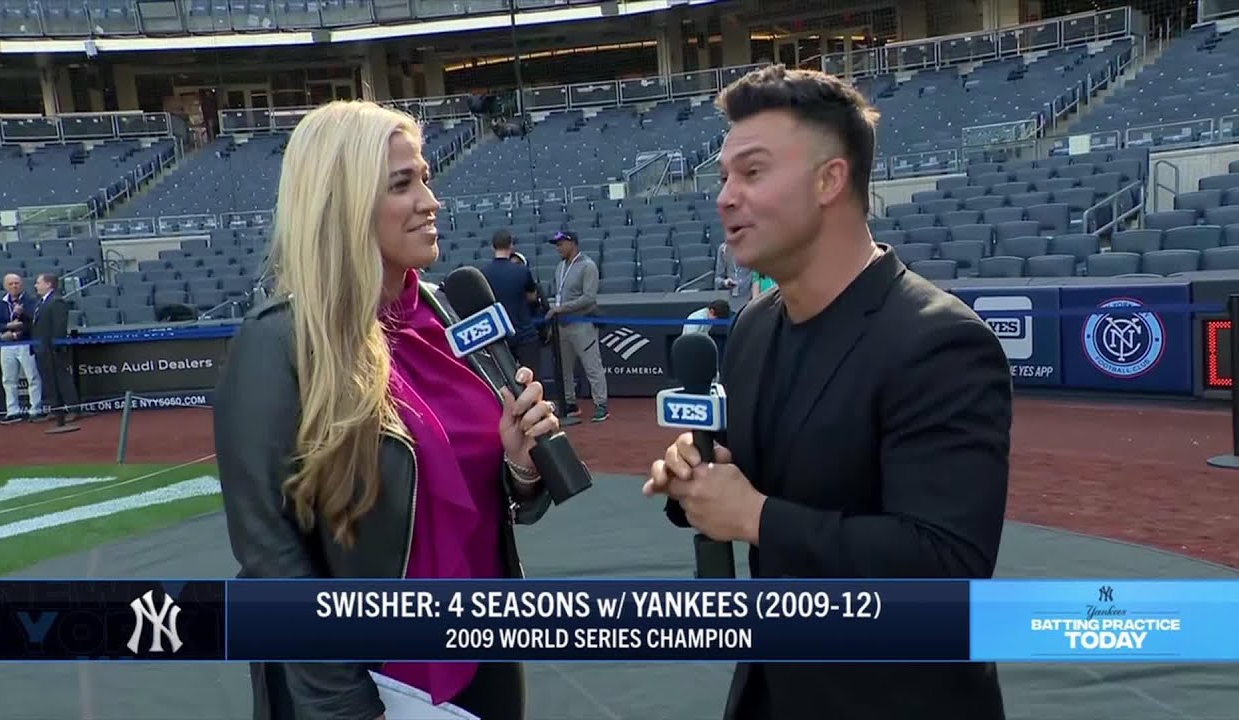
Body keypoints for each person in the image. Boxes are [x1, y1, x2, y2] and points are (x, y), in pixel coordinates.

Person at [644, 65, 1012, 720]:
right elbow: (752, 479)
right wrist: (697, 481)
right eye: (724, 176)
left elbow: (946, 567)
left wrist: (754, 517)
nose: (725, 196)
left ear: (829, 180)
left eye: (751, 173)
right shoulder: (754, 327)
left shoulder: (940, 342)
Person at [213, 100, 559, 720]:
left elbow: (481, 497)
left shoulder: (449, 312)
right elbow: (274, 563)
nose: (431, 201)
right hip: (370, 684)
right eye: (403, 183)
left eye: (425, 177)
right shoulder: (278, 344)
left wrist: (521, 467)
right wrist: (349, 709)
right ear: (342, 203)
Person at [546, 230, 609, 423]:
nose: (558, 248)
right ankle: (569, 403)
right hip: (563, 325)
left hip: (582, 323)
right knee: (564, 368)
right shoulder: (560, 267)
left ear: (572, 243)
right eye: (556, 245)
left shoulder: (588, 266)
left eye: (561, 244)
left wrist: (561, 308)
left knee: (592, 366)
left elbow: (589, 298)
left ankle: (601, 404)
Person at [480, 229, 541, 376]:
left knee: (503, 381)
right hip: (524, 332)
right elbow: (532, 297)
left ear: (492, 247)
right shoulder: (521, 271)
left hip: (498, 335)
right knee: (532, 379)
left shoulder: (483, 273)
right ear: (511, 246)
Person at [30, 272, 81, 425]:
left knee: (62, 378)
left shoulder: (56, 301)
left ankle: (73, 408)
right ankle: (56, 409)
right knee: (48, 380)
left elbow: (59, 326)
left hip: (53, 349)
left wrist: (55, 345)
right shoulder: (40, 302)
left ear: (48, 284)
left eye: (38, 282)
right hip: (41, 348)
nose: (36, 286)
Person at [0, 272, 44, 423]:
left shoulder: (30, 301)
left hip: (26, 342)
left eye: (17, 283)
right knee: (8, 379)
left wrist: (17, 330)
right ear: (5, 286)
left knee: (32, 377)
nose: (14, 286)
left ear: (21, 285)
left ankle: (36, 409)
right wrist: (8, 326)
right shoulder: (1, 303)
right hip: (7, 345)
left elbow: (34, 322)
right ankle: (12, 410)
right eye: (11, 284)